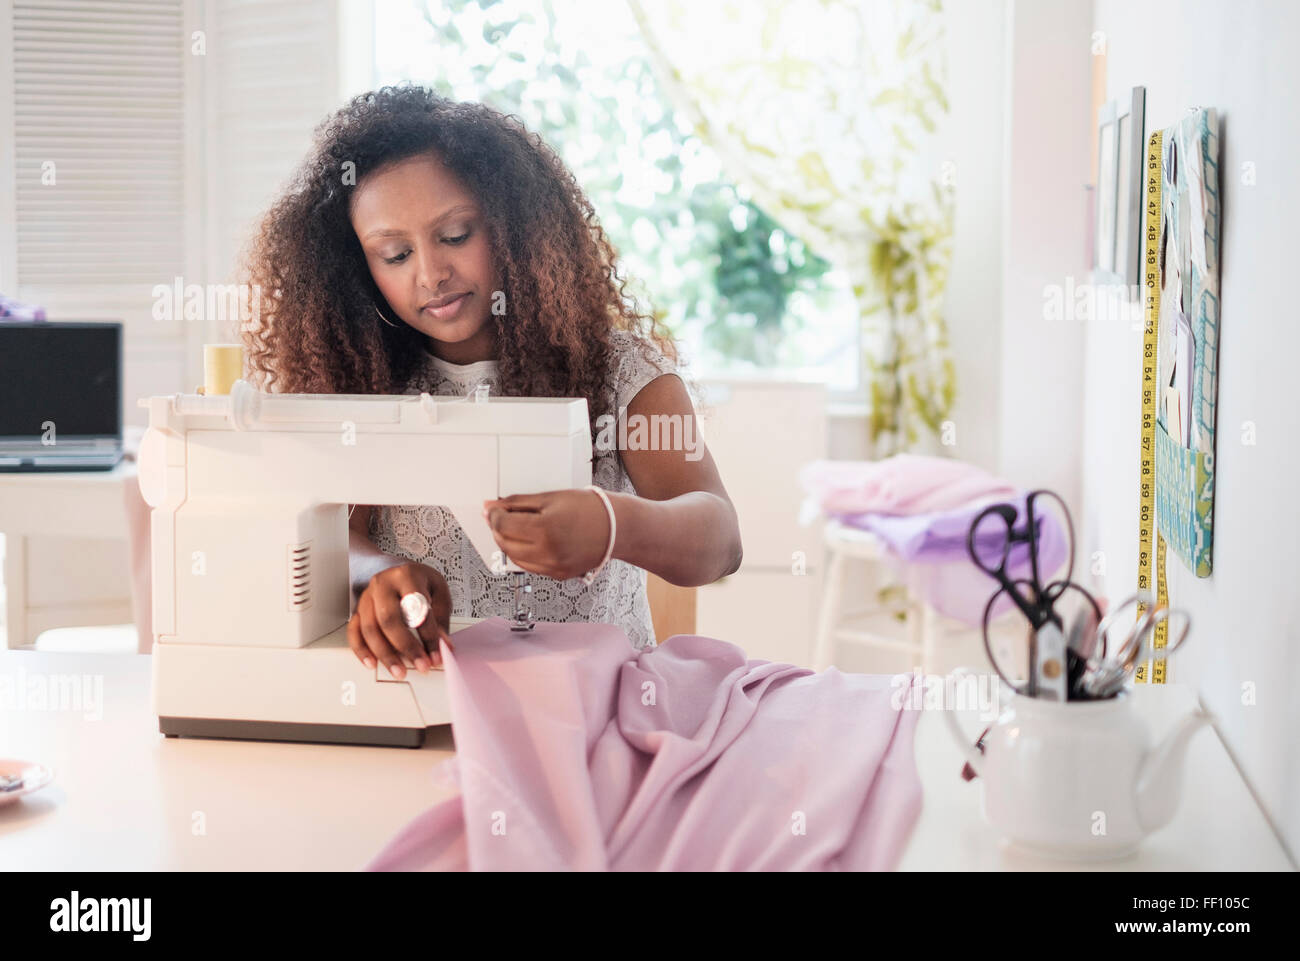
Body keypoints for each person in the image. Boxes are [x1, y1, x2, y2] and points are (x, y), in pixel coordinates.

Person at [241, 85, 742, 678]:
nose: (432, 274)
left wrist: (613, 524)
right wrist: (375, 576)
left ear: (515, 225)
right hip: (430, 711)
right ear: (358, 269)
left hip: (600, 712)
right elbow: (331, 537)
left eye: (455, 236)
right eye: (395, 254)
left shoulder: (620, 372)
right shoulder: (359, 383)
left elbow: (721, 542)